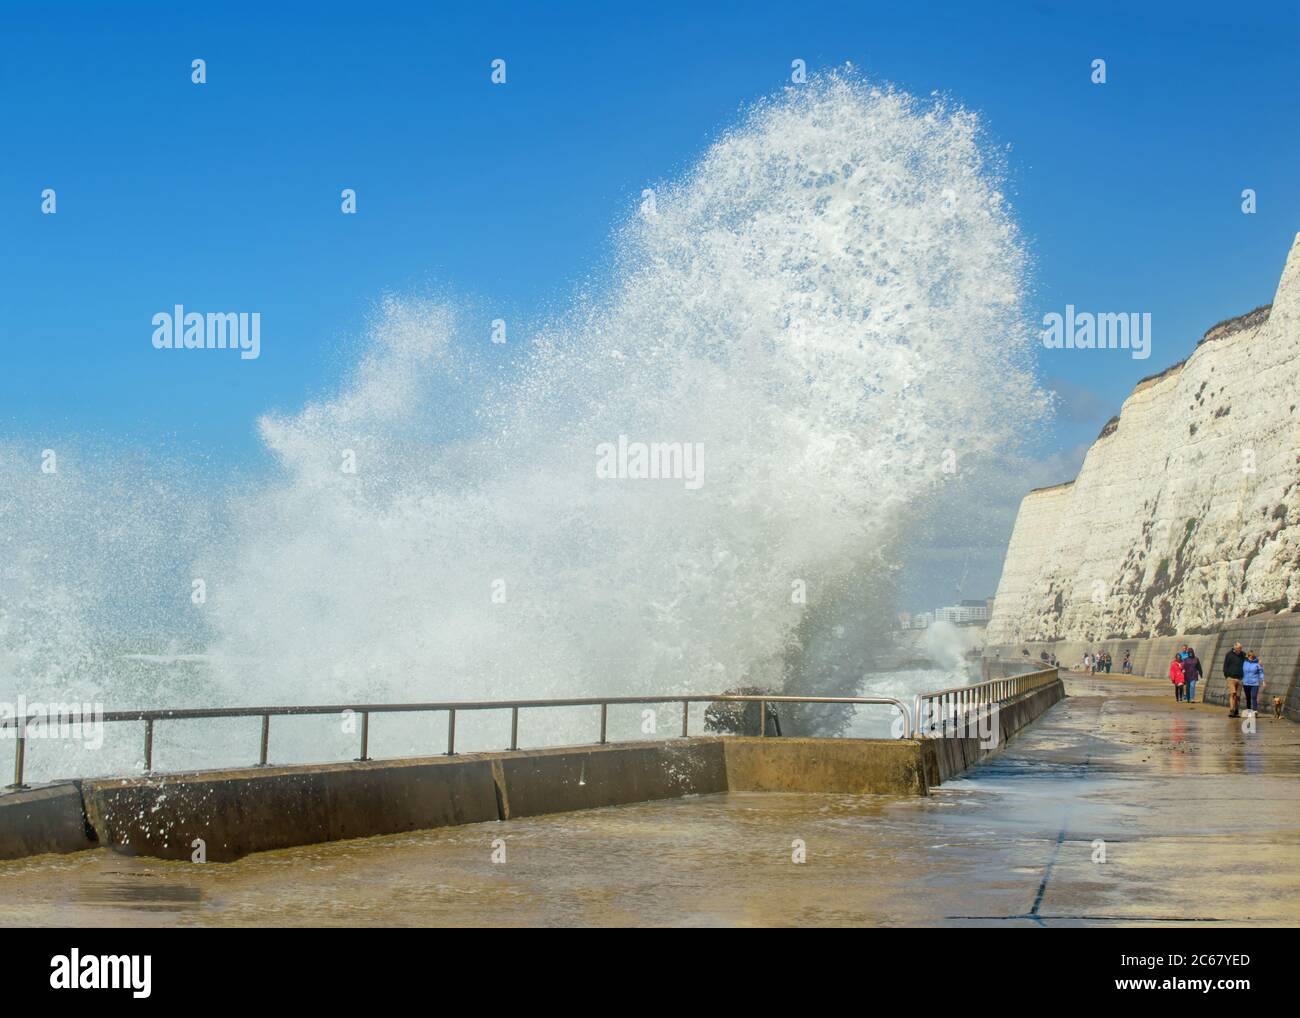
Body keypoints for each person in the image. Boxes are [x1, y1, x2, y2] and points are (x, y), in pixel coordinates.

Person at [1223, 642, 1246, 718]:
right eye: (1239, 648)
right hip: (1231, 678)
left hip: (1239, 678)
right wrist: (1226, 675)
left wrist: (1257, 660)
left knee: (1237, 696)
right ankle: (1231, 710)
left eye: (1241, 648)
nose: (1240, 649)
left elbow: (1249, 660)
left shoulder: (1243, 655)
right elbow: (1225, 666)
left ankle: (1236, 710)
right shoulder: (1229, 655)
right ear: (1235, 648)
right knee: (1232, 694)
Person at [1242, 652, 1264, 716]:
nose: (1251, 657)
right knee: (1248, 697)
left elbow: (1261, 672)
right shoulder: (1244, 662)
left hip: (1255, 683)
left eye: (1252, 656)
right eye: (1250, 656)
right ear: (1248, 656)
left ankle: (1255, 711)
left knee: (1254, 697)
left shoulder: (1257, 663)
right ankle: (1249, 711)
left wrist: (1263, 680)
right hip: (1246, 682)